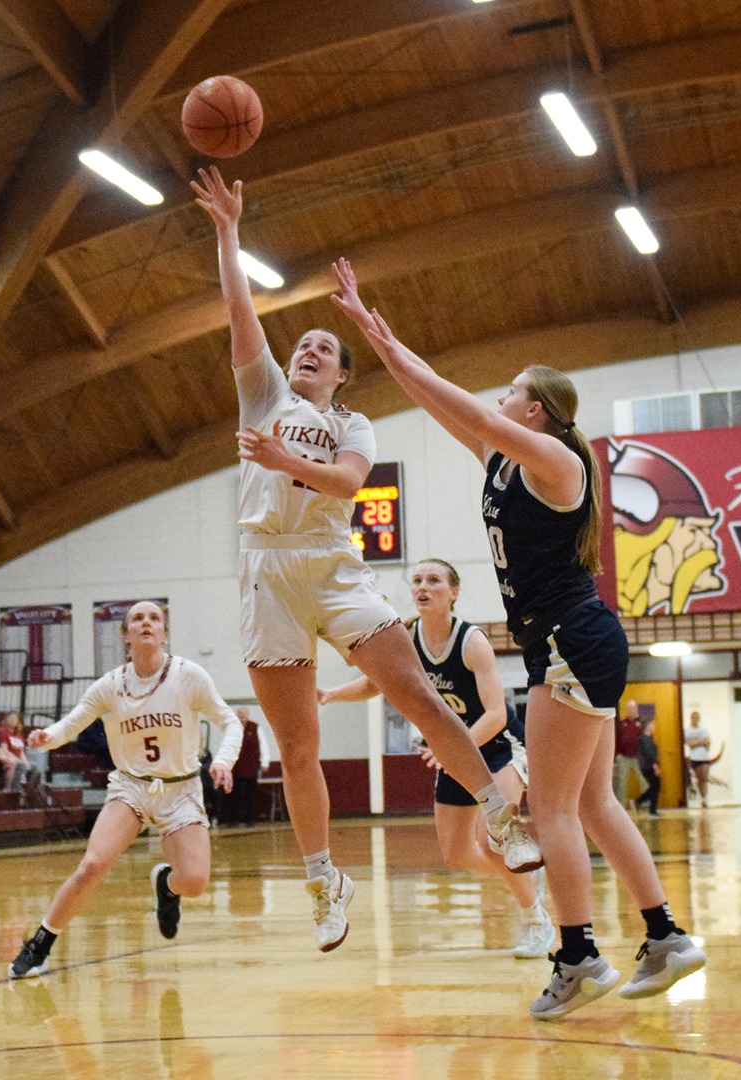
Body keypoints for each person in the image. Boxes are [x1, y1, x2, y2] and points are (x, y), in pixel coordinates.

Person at [328, 258, 702, 1019]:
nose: (499, 399)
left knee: (552, 811)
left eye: (511, 392)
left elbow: (470, 408)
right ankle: (663, 936)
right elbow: (450, 411)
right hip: (570, 643)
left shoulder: (559, 460)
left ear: (535, 410)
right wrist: (389, 351)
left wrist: (388, 341)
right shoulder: (503, 459)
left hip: (572, 639)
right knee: (593, 804)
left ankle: (578, 955)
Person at [193, 169, 538, 955]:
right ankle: (324, 880)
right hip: (265, 571)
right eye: (303, 345)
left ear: (343, 374)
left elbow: (348, 485)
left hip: (332, 563)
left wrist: (285, 459)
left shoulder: (355, 423)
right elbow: (239, 312)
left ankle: (500, 810)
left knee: (416, 691)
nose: (310, 350)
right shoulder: (263, 396)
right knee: (299, 746)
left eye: (325, 349)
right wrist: (228, 231)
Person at [321, 558, 553, 958]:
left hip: (497, 747)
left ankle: (536, 921)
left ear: (453, 592)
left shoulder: (472, 640)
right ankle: (529, 874)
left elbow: (496, 715)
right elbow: (377, 682)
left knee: (493, 839)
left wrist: (450, 748)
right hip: (451, 751)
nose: (422, 587)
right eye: (416, 581)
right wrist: (331, 694)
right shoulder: (408, 640)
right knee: (457, 853)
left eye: (433, 580)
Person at [10, 602, 242, 978]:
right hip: (131, 788)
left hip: (180, 789)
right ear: (126, 635)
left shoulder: (189, 675)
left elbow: (230, 721)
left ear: (164, 634)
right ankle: (39, 944)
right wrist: (46, 737)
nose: (146, 622)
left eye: (155, 618)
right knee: (92, 866)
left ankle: (166, 886)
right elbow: (71, 724)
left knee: (196, 883)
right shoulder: (111, 685)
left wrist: (223, 761)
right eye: (137, 618)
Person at [612, 702, 642, 809]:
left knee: (645, 782)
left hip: (638, 758)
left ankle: (643, 803)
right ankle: (621, 807)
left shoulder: (642, 724)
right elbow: (616, 740)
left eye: (633, 708)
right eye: (629, 709)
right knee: (620, 784)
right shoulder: (621, 724)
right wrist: (614, 759)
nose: (631, 711)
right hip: (623, 757)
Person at [682, 711, 713, 808]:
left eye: (696, 717)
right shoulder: (687, 731)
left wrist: (697, 742)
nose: (695, 719)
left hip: (704, 757)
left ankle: (705, 799)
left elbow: (707, 741)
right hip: (694, 757)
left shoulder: (703, 730)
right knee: (699, 779)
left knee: (704, 778)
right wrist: (701, 742)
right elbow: (689, 743)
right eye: (693, 717)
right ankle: (701, 796)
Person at [634, 717, 661, 814]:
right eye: (652, 724)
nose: (654, 726)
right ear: (648, 726)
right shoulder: (645, 739)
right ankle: (651, 810)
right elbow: (649, 754)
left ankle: (639, 802)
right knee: (656, 786)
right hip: (648, 766)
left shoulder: (648, 738)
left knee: (655, 786)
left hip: (647, 766)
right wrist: (655, 765)